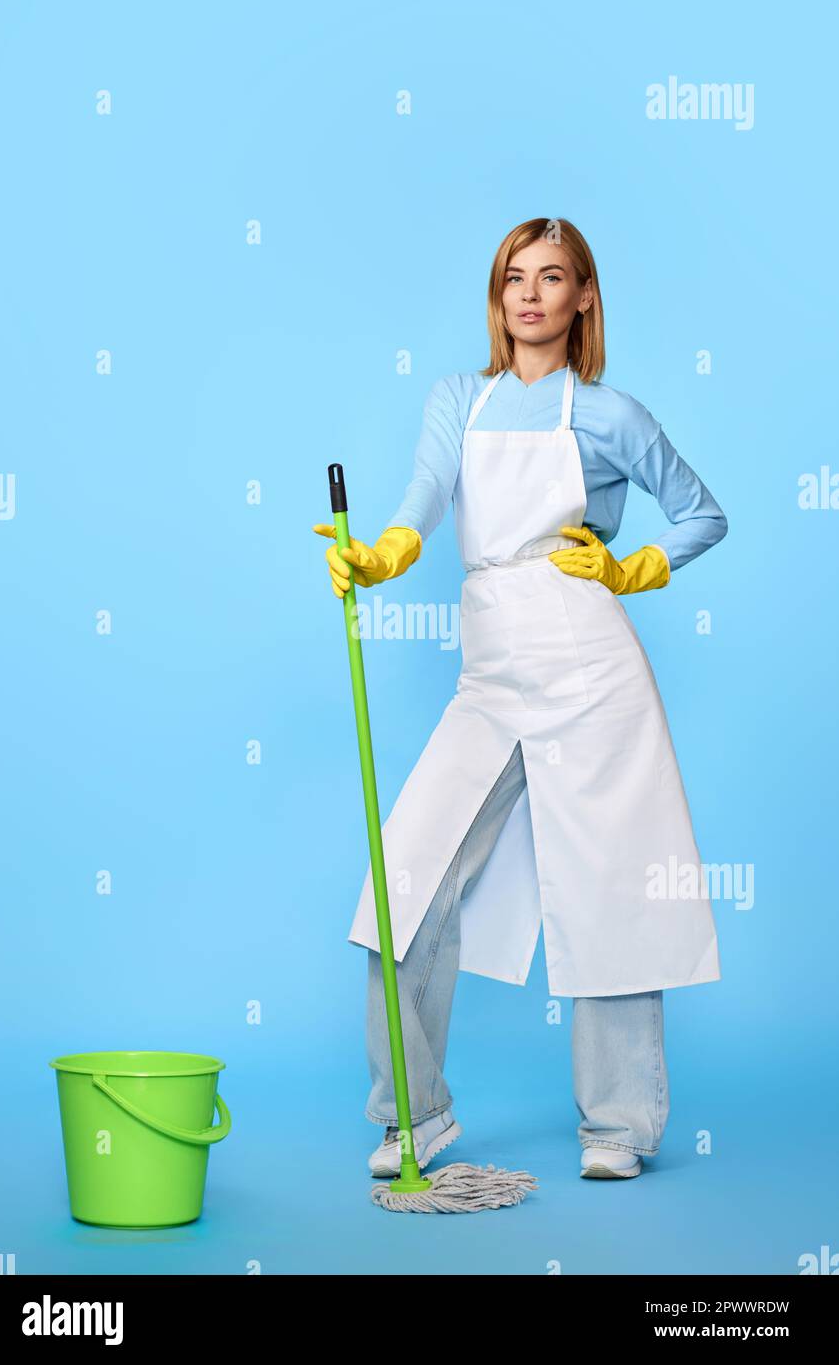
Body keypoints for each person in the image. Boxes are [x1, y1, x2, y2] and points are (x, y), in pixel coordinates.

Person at [314, 217, 727, 1180]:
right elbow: (424, 494)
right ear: (497, 294)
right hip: (491, 671)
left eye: (552, 278)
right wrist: (383, 555)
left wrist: (637, 569)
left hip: (590, 663)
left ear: (584, 295)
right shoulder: (459, 398)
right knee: (401, 890)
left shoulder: (612, 413)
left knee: (612, 889)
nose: (529, 294)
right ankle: (413, 1118)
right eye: (513, 277)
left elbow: (705, 512)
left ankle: (619, 1128)